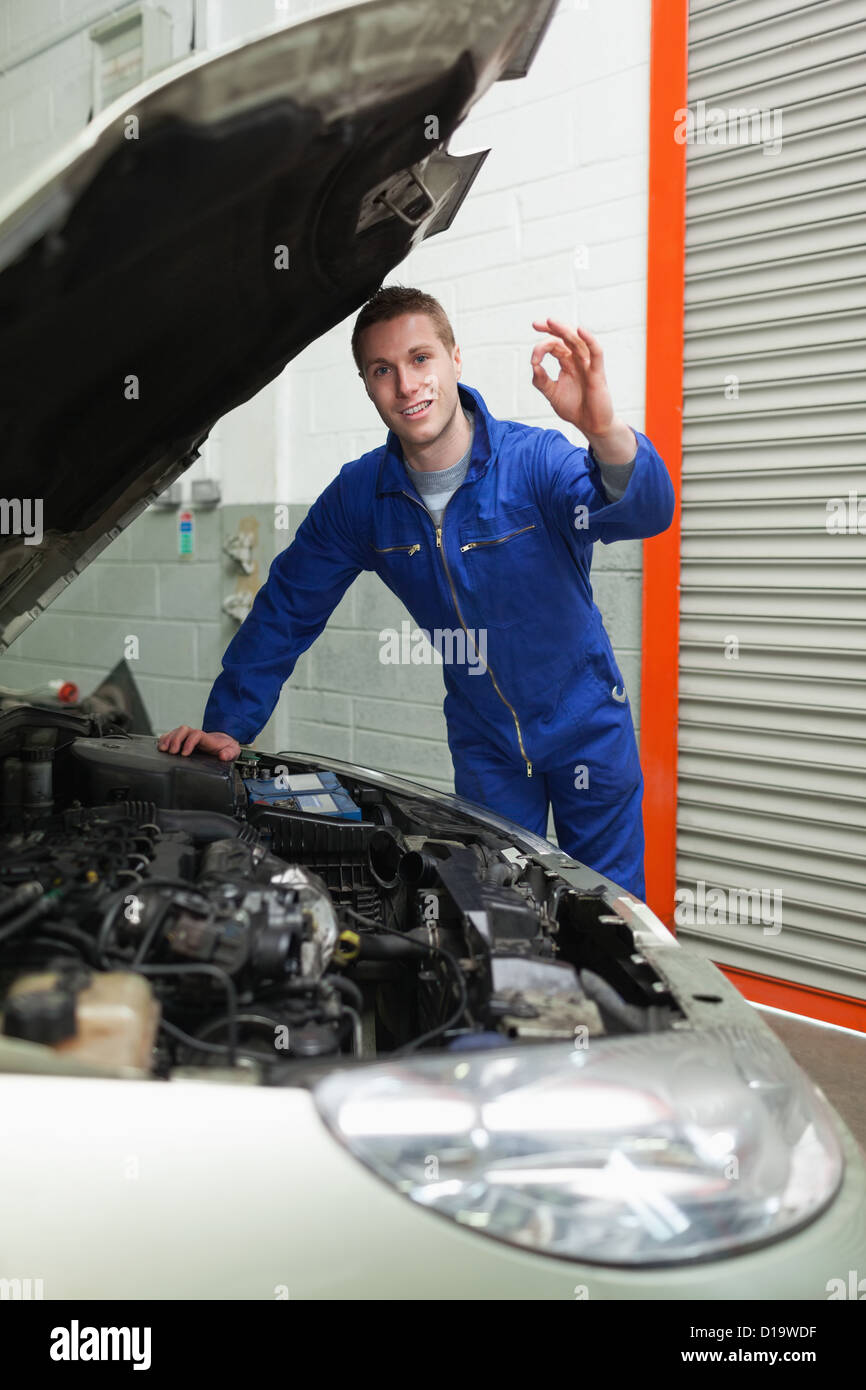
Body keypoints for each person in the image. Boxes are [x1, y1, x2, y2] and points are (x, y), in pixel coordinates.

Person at [158, 286, 674, 897]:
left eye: (421, 358)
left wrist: (604, 429)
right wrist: (229, 726)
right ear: (368, 384)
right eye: (384, 370)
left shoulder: (534, 463)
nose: (407, 385)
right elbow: (286, 609)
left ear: (456, 358)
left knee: (610, 915)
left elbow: (643, 513)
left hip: (589, 732)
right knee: (493, 912)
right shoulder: (361, 499)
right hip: (486, 746)